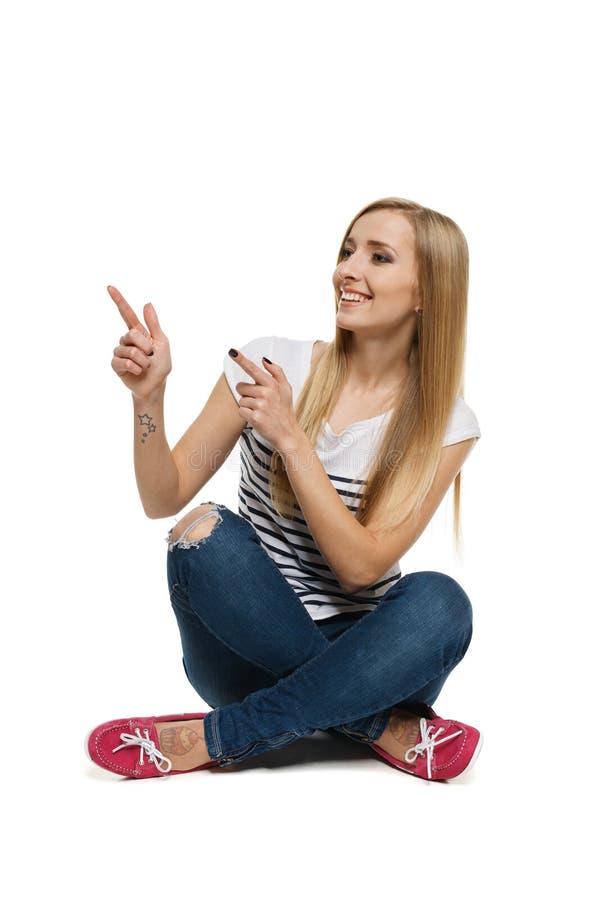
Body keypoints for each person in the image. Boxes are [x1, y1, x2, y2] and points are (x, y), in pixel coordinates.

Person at [86, 197, 483, 782]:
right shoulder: (270, 364)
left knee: (443, 603)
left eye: (379, 257)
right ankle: (376, 724)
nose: (349, 270)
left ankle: (223, 736)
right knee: (202, 534)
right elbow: (163, 496)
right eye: (349, 251)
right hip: (249, 648)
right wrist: (148, 400)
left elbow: (359, 570)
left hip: (377, 655)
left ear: (427, 293)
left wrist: (293, 441)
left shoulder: (446, 424)